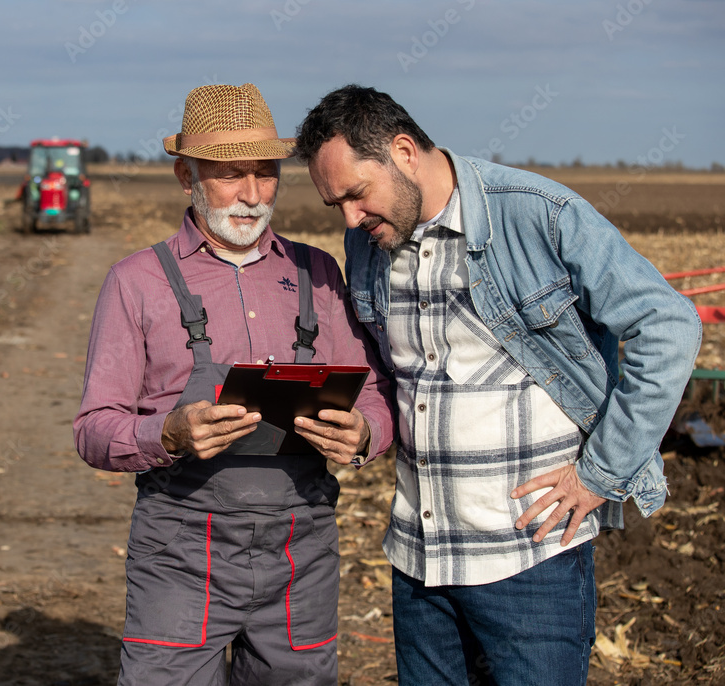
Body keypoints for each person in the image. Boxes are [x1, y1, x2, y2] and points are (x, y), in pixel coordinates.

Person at [295, 85, 702, 685]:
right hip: (420, 561)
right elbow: (388, 372)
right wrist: (364, 426)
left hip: (530, 560)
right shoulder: (369, 242)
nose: (351, 219)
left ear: (404, 151)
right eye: (338, 207)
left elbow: (667, 324)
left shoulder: (536, 212)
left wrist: (599, 474)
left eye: (356, 195)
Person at [74, 83, 396, 686]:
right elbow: (93, 430)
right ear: (185, 175)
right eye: (229, 174)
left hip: (301, 551)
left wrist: (364, 432)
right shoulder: (136, 282)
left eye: (266, 172)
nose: (251, 195)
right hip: (179, 554)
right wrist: (167, 433)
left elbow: (377, 392)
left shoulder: (318, 272)